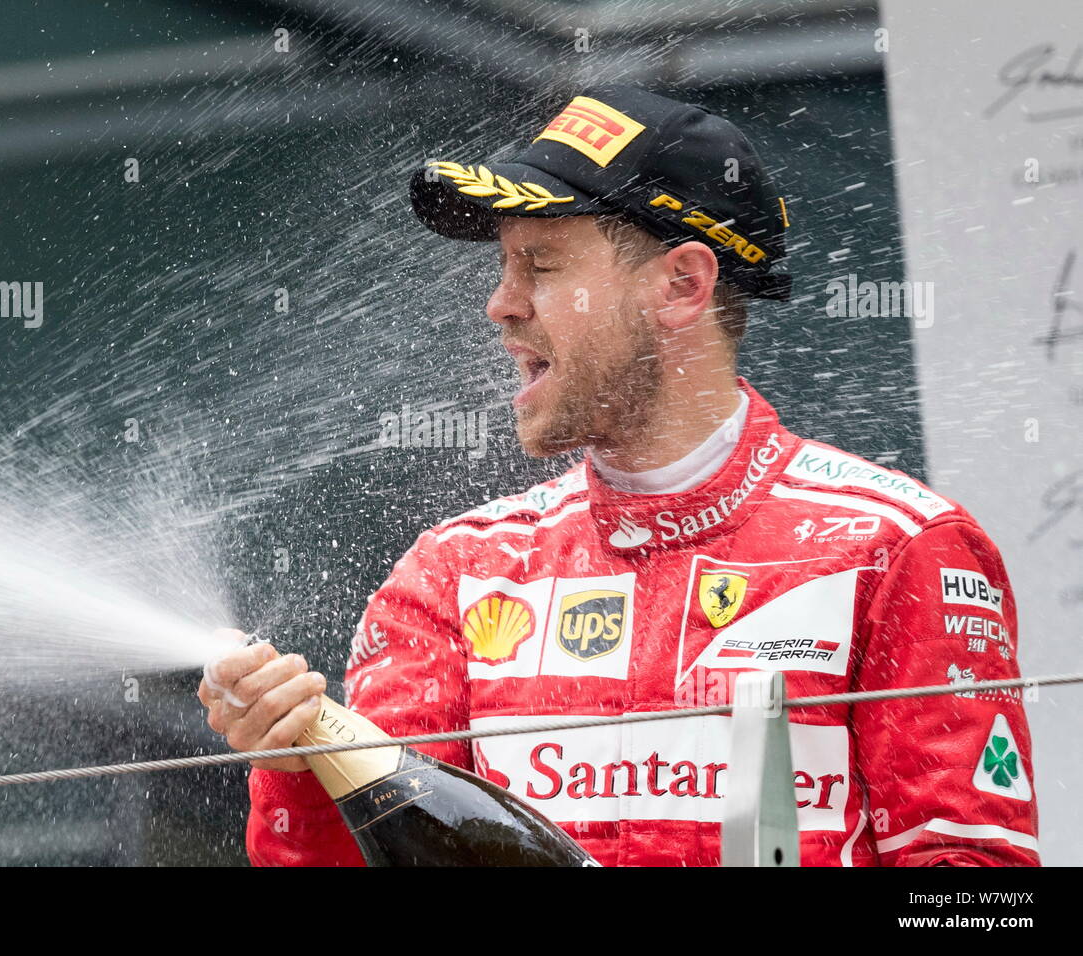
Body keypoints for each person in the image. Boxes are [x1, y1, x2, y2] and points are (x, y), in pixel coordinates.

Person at [198, 86, 1039, 866]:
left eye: (543, 266)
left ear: (681, 285)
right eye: (504, 267)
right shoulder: (453, 574)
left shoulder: (898, 549)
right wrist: (297, 769)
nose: (501, 303)